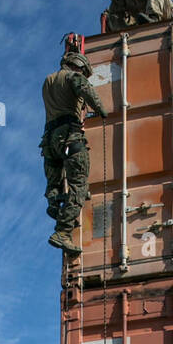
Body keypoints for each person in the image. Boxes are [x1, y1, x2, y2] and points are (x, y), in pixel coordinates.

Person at [41, 48, 108, 256]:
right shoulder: (73, 77)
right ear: (78, 66)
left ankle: (54, 203)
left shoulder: (48, 81)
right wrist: (100, 110)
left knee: (54, 181)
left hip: (50, 141)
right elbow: (86, 90)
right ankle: (63, 231)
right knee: (79, 185)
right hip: (70, 137)